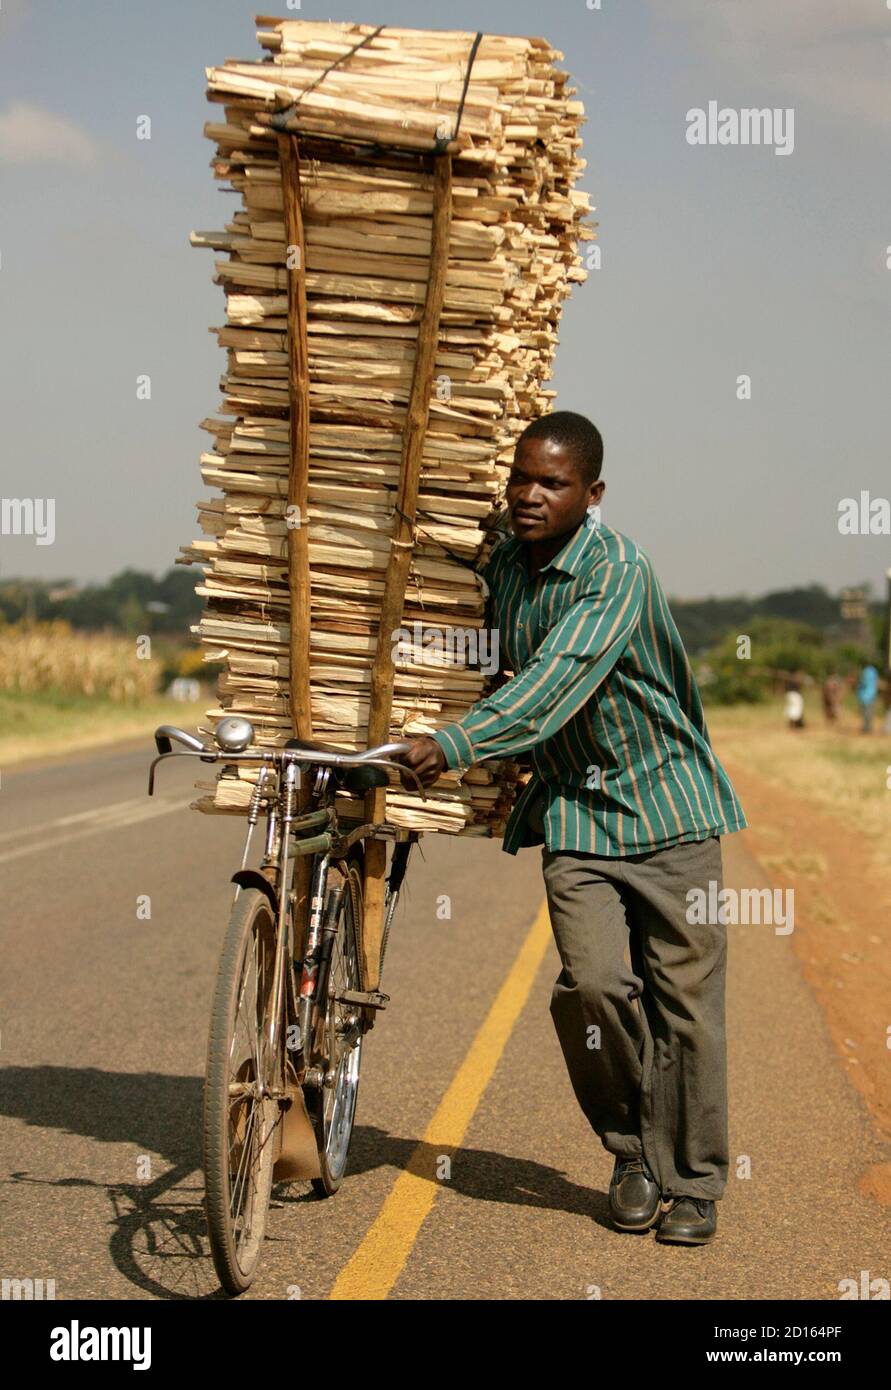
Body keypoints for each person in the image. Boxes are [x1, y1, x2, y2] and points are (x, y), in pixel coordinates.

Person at [395, 411, 747, 1247]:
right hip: (577, 814)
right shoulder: (506, 566)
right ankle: (631, 1154)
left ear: (591, 495)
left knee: (686, 1009)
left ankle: (692, 1184)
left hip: (670, 811)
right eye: (519, 478)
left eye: (550, 483)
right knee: (589, 988)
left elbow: (556, 681)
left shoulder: (615, 571)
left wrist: (452, 744)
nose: (527, 495)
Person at [856, 663, 879, 734]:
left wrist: (859, 685)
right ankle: (868, 727)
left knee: (866, 713)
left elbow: (864, 682)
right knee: (869, 713)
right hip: (871, 695)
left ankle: (867, 728)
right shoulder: (874, 671)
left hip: (865, 696)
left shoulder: (866, 671)